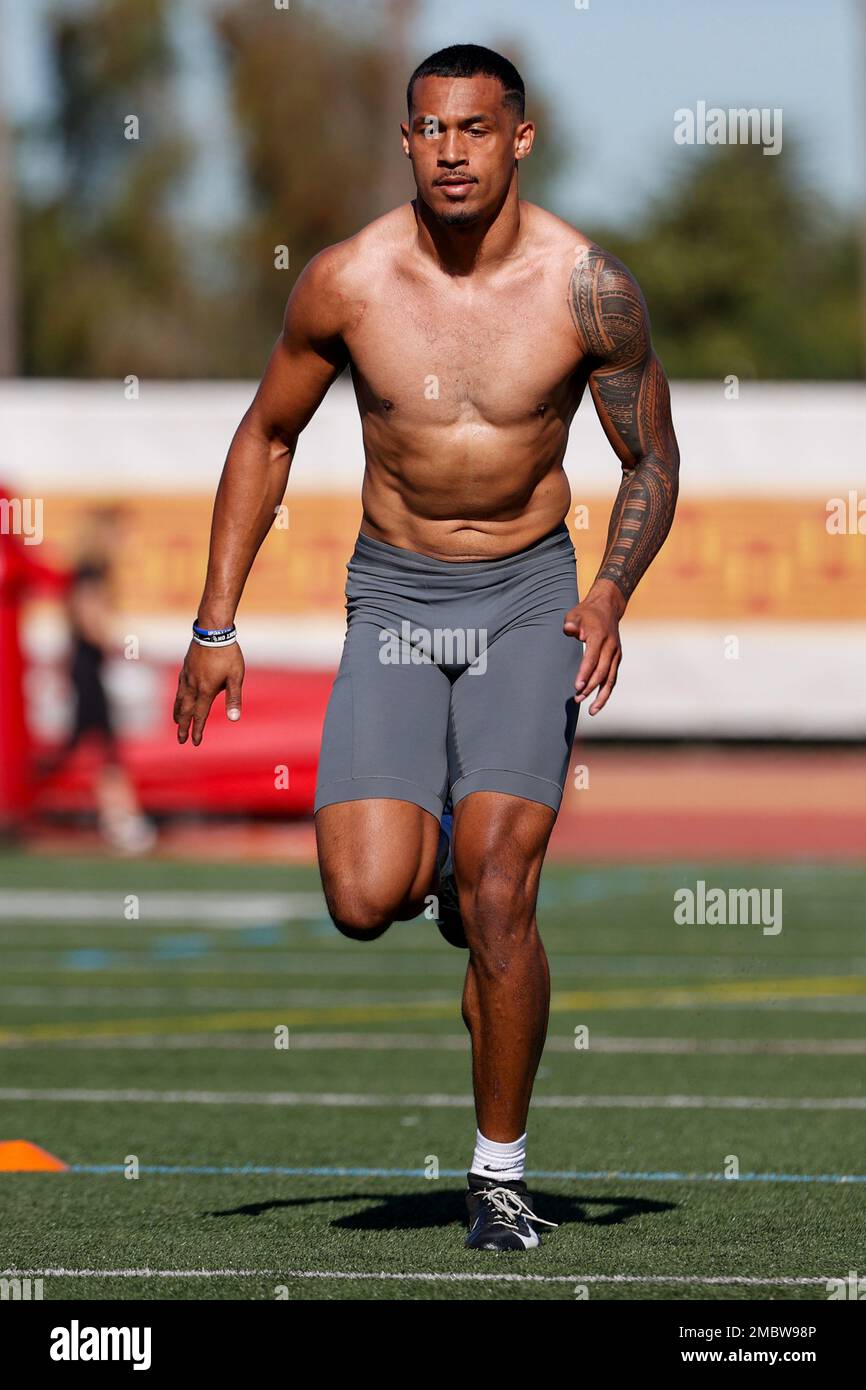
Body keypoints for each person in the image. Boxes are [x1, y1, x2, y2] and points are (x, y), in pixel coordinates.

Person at [174, 44, 679, 1252]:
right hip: (394, 598)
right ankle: (440, 851)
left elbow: (647, 460)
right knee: (360, 898)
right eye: (429, 129)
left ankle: (496, 1172)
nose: (450, 149)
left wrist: (606, 595)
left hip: (525, 597)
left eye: (473, 127)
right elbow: (267, 434)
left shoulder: (586, 288)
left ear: (520, 137)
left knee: (503, 891)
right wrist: (214, 621)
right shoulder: (348, 283)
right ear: (405, 141)